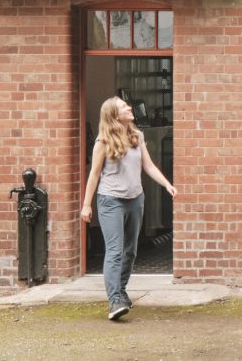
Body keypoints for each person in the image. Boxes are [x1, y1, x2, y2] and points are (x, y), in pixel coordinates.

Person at [80, 96, 177, 321]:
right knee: (114, 250)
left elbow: (148, 165)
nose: (130, 108)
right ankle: (115, 300)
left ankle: (120, 290)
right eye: (124, 107)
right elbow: (94, 174)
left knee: (130, 251)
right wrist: (86, 204)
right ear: (114, 115)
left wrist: (167, 184)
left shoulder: (137, 136)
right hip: (110, 200)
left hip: (135, 199)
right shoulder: (102, 141)